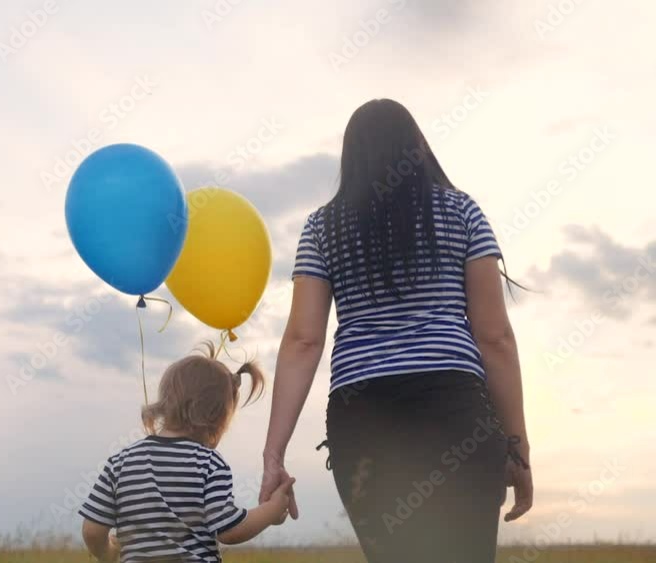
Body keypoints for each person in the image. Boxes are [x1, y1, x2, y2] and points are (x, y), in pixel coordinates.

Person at [259, 99, 533, 563]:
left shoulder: (322, 228)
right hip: (455, 409)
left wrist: (273, 455)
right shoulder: (462, 212)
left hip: (363, 416)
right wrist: (518, 450)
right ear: (418, 148)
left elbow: (304, 341)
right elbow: (495, 338)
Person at [80, 343, 294, 562]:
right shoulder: (208, 463)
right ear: (219, 417)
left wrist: (107, 553)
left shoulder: (120, 462)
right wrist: (271, 509)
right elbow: (230, 530)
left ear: (165, 402)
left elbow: (92, 531)